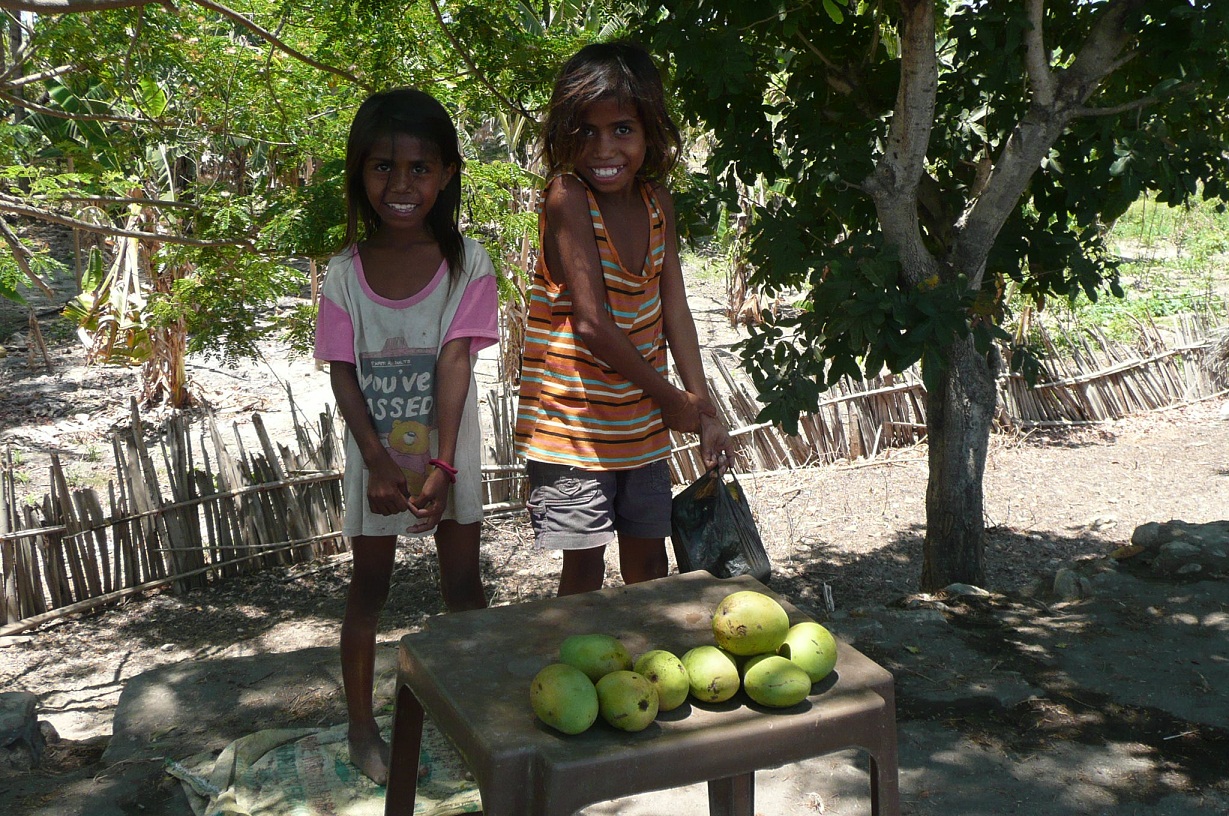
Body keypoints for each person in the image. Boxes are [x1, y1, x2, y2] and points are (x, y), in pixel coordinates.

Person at [313, 87, 495, 785]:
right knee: (368, 587)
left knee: (462, 584)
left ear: (447, 174)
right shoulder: (342, 275)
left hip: (448, 456)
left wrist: (442, 465)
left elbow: (455, 362)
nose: (400, 184)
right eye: (382, 167)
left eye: (419, 168)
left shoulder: (466, 263)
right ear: (359, 173)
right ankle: (364, 725)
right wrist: (378, 461)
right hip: (375, 458)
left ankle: (481, 714)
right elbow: (343, 374)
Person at [514, 41, 734, 598]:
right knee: (584, 577)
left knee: (648, 569)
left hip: (640, 430)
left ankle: (645, 680)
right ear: (564, 134)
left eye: (622, 129)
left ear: (650, 133)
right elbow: (591, 324)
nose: (603, 147)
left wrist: (700, 403)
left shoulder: (659, 202)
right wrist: (672, 398)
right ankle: (575, 682)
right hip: (574, 430)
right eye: (585, 131)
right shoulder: (567, 197)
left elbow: (675, 309)